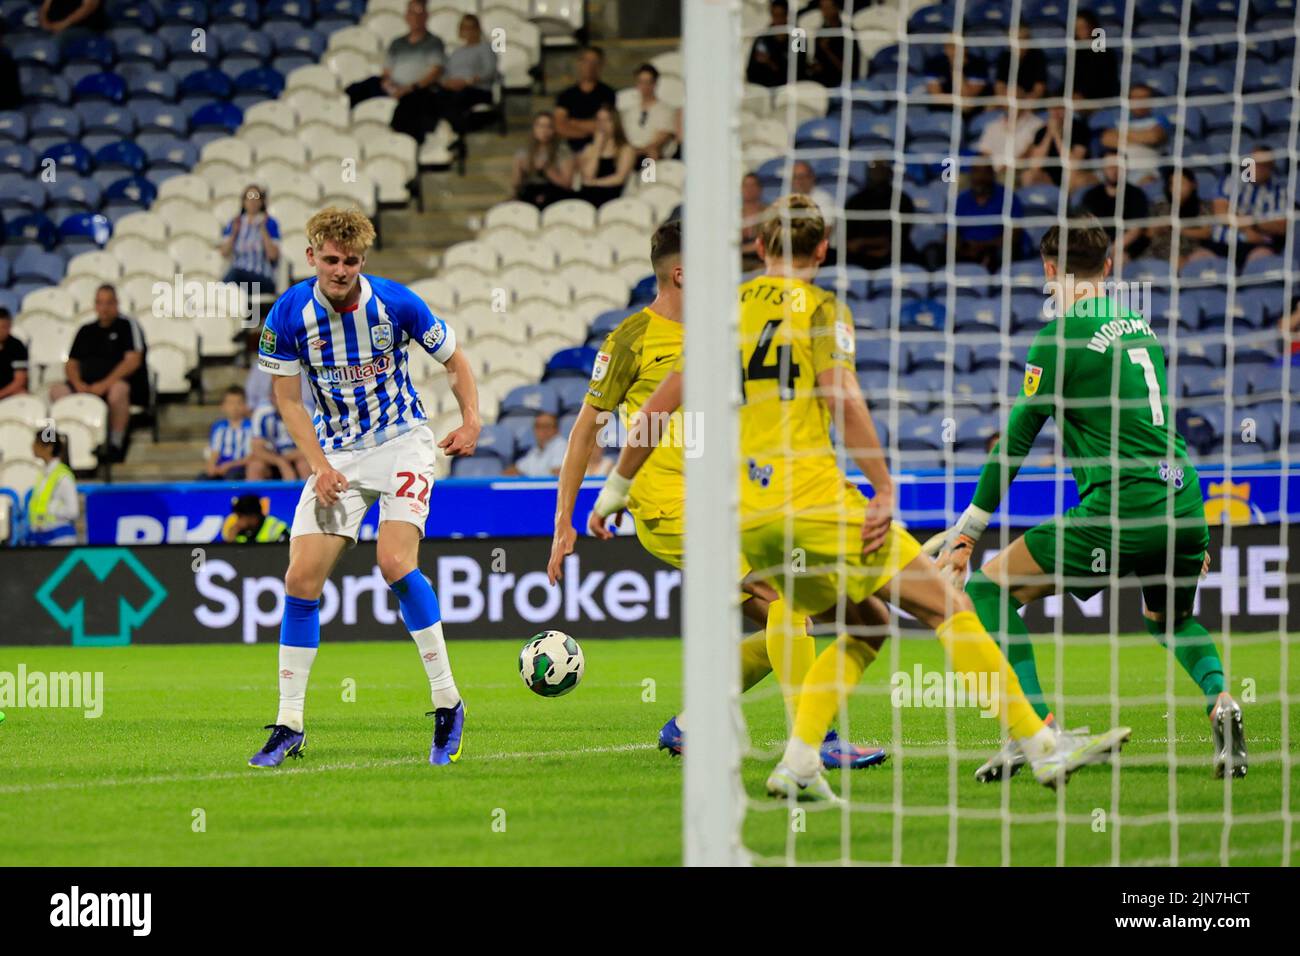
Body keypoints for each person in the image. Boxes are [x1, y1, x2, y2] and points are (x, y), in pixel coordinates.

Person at [597, 196, 1133, 798]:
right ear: (822, 250)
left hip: (749, 515)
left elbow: (656, 407)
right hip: (821, 502)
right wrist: (882, 486)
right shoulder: (824, 310)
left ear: (759, 248)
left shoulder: (724, 313)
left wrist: (615, 488)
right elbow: (843, 400)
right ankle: (1040, 745)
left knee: (868, 622)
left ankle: (800, 759)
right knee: (945, 607)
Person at [547, 219, 888, 770]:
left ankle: (692, 724)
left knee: (853, 610)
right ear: (681, 273)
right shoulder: (631, 338)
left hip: (734, 502)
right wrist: (565, 519)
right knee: (786, 597)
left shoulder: (732, 328)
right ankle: (814, 742)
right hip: (668, 505)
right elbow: (587, 428)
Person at [929, 218, 1245, 781]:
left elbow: (1016, 442)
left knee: (986, 589)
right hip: (1182, 501)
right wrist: (1185, 529)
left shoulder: (1057, 338)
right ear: (1108, 268)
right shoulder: (1139, 328)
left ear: (1049, 271)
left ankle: (1036, 731)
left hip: (1117, 510)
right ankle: (1223, 701)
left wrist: (967, 533)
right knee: (1166, 619)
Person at [249, 206, 480, 769]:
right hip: (340, 457)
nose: (341, 270)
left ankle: (448, 701)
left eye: (351, 261)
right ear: (311, 257)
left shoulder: (396, 303)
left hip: (403, 441)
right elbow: (286, 398)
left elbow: (455, 361)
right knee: (300, 578)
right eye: (330, 259)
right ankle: (289, 724)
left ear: (363, 260)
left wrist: (470, 419)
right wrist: (319, 464)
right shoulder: (287, 315)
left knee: (395, 562)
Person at [48, 285, 148, 463]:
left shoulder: (127, 326)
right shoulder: (85, 330)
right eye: (100, 303)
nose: (104, 308)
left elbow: (133, 360)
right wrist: (78, 384)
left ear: (116, 304)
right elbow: (71, 363)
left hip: (112, 385)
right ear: (95, 305)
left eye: (109, 303)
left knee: (119, 390)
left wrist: (104, 384)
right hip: (85, 385)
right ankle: (65, 444)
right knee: (57, 391)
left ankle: (115, 444)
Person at [344, 0, 447, 144]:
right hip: (394, 86)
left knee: (414, 104)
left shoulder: (434, 43)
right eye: (412, 13)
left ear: (426, 16)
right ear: (406, 16)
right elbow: (387, 71)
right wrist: (388, 84)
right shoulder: (397, 43)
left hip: (417, 89)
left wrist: (410, 88)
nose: (415, 18)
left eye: (419, 13)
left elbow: (435, 72)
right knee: (357, 89)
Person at [1211, 146, 1293, 265]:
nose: (1257, 168)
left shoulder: (1280, 191)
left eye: (1263, 165)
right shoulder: (1230, 181)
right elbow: (1222, 213)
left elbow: (1281, 226)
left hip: (1258, 246)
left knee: (1261, 260)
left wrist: (1250, 223)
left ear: (1271, 167)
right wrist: (1249, 228)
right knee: (1199, 260)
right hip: (1223, 243)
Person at [426, 14, 497, 135]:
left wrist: (467, 81)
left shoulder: (485, 48)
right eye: (464, 27)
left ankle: (458, 133)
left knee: (456, 100)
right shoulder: (457, 52)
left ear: (477, 29)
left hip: (476, 89)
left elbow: (489, 71)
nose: (467, 31)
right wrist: (446, 82)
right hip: (452, 88)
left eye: (471, 27)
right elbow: (446, 72)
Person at [843, 159, 918, 269]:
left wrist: (863, 242)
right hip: (860, 255)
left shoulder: (901, 200)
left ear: (889, 172)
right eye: (874, 168)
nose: (877, 172)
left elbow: (898, 237)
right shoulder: (855, 201)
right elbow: (850, 240)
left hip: (895, 254)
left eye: (882, 168)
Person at [1080, 149, 1150, 262]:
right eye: (1110, 166)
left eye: (1118, 165)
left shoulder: (1136, 195)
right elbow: (1085, 226)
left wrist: (1112, 250)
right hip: (1095, 249)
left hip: (1127, 252)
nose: (1114, 170)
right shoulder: (1091, 195)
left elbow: (1136, 230)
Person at [955, 161, 1025, 271]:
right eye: (976, 172)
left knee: (1005, 252)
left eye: (985, 172)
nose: (980, 177)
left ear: (992, 174)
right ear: (971, 175)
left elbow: (1015, 233)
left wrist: (984, 246)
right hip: (967, 251)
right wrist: (962, 248)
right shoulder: (961, 200)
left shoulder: (1007, 198)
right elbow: (950, 233)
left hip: (996, 251)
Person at [1098, 84, 1170, 183]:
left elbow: (1153, 137)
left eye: (1144, 97)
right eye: (1135, 98)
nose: (1139, 101)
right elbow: (1106, 139)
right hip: (1116, 171)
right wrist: (1143, 136)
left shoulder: (1160, 119)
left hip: (1145, 172)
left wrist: (1120, 134)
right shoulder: (1118, 119)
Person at [1146, 167, 1215, 268]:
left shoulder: (1204, 206)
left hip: (1188, 253)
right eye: (1172, 184)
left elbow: (1206, 232)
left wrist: (1178, 229)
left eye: (1181, 183)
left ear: (1193, 185)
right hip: (1156, 252)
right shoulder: (1160, 206)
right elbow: (1148, 233)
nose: (1176, 188)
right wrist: (1159, 227)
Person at [554, 46, 617, 154]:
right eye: (586, 61)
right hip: (570, 150)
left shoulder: (609, 93)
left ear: (601, 65)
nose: (589, 66)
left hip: (600, 148)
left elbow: (606, 126)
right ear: (579, 63)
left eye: (594, 62)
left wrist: (572, 122)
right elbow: (559, 125)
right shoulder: (566, 95)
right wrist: (588, 131)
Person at [220, 184, 281, 294]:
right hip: (238, 277)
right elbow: (224, 252)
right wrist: (234, 233)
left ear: (262, 201)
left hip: (262, 277)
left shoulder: (269, 223)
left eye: (256, 198)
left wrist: (263, 229)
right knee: (234, 279)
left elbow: (273, 256)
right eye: (249, 198)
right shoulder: (235, 223)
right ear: (243, 202)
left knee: (233, 276)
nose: (252, 202)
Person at [1019, 102, 1092, 191]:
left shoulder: (1080, 129)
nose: (1056, 112)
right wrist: (1049, 134)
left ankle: (1067, 203)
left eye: (1060, 108)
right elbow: (1035, 165)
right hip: (1049, 177)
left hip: (1072, 174)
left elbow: (1073, 164)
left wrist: (1057, 135)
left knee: (1072, 176)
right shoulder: (1041, 131)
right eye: (1053, 108)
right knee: (1028, 175)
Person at [204, 385, 269, 481]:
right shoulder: (218, 427)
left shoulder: (251, 427)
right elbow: (214, 452)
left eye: (238, 403)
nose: (234, 407)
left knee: (232, 477)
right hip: (221, 467)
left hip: (241, 466)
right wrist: (211, 466)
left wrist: (230, 465)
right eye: (230, 403)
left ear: (245, 406)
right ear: (223, 406)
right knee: (203, 479)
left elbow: (252, 455)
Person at [24, 429, 78, 546]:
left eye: (37, 443)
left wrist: (51, 509)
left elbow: (73, 511)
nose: (32, 446)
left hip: (59, 539)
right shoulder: (44, 474)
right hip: (42, 538)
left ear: (49, 447)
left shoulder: (63, 476)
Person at [512, 111, 576, 209]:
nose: (544, 130)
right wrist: (520, 167)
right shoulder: (523, 153)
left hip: (555, 192)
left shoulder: (562, 151)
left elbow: (567, 184)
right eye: (540, 126)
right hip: (530, 192)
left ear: (554, 130)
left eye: (549, 127)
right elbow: (516, 184)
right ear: (534, 128)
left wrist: (547, 169)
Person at [577, 106, 636, 208]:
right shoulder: (590, 148)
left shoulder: (625, 149)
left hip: (611, 191)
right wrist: (597, 148)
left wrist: (595, 183)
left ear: (615, 123)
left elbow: (619, 178)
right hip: (589, 192)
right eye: (599, 120)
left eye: (607, 120)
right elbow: (587, 176)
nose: (602, 125)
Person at [621, 63, 676, 162]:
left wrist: (640, 151)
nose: (644, 86)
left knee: (652, 153)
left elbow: (660, 140)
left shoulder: (665, 110)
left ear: (655, 84)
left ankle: (648, 177)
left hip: (652, 154)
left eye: (648, 82)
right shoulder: (629, 111)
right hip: (630, 154)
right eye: (641, 82)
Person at [976, 106, 1045, 179]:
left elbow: (1028, 154)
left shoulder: (1037, 124)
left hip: (1016, 173)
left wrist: (1004, 170)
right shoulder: (992, 125)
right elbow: (984, 153)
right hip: (991, 174)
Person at [1071, 9, 1120, 106]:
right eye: (1077, 29)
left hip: (1101, 100)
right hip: (1077, 101)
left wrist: (1085, 99)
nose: (1081, 32)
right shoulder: (1073, 53)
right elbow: (1069, 80)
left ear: (1093, 27)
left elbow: (1108, 83)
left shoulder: (1106, 53)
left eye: (1083, 27)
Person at [252, 401, 311, 479]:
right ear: (271, 398)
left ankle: (305, 490)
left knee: (304, 465)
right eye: (276, 396)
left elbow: (310, 447)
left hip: (296, 456)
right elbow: (257, 450)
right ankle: (252, 491)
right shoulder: (261, 413)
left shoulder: (305, 411)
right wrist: (280, 462)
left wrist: (285, 459)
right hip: (271, 459)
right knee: (255, 467)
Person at [804, 0, 855, 88]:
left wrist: (827, 51)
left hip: (841, 81)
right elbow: (817, 60)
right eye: (822, 8)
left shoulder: (848, 33)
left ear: (836, 8)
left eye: (828, 8)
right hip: (820, 80)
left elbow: (848, 70)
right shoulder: (821, 32)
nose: (825, 12)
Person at [994, 26, 1047, 103]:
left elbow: (1039, 90)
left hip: (1030, 101)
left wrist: (1024, 104)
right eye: (1015, 39)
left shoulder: (1037, 56)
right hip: (1009, 99)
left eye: (1023, 39)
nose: (1018, 43)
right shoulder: (1004, 57)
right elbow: (999, 87)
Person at [746, 0, 793, 87]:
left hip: (788, 89)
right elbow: (750, 72)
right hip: (764, 89)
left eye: (782, 15)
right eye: (775, 15)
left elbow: (799, 71)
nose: (778, 20)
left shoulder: (799, 37)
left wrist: (770, 63)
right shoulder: (762, 38)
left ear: (787, 15)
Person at [505, 412, 567, 477]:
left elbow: (558, 473)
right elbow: (516, 470)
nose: (541, 430)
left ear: (556, 430)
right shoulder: (536, 450)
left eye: (546, 426)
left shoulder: (561, 445)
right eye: (538, 426)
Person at [222, 493, 290, 544]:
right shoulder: (239, 532)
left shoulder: (278, 528)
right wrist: (230, 540)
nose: (237, 521)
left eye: (240, 517)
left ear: (253, 516)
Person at [741, 173, 768, 271]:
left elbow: (767, 242)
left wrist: (741, 249)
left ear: (760, 189)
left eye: (753, 185)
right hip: (737, 262)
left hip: (761, 261)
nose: (749, 189)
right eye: (746, 185)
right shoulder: (733, 215)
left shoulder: (769, 213)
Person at [0, 308, 29, 400]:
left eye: (4, 327)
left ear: (10, 326)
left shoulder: (17, 346)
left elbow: (20, 380)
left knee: (22, 394)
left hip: (8, 391)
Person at [38, 0, 105, 36]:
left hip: (81, 28)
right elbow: (44, 8)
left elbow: (90, 6)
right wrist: (44, 23)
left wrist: (63, 25)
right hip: (52, 26)